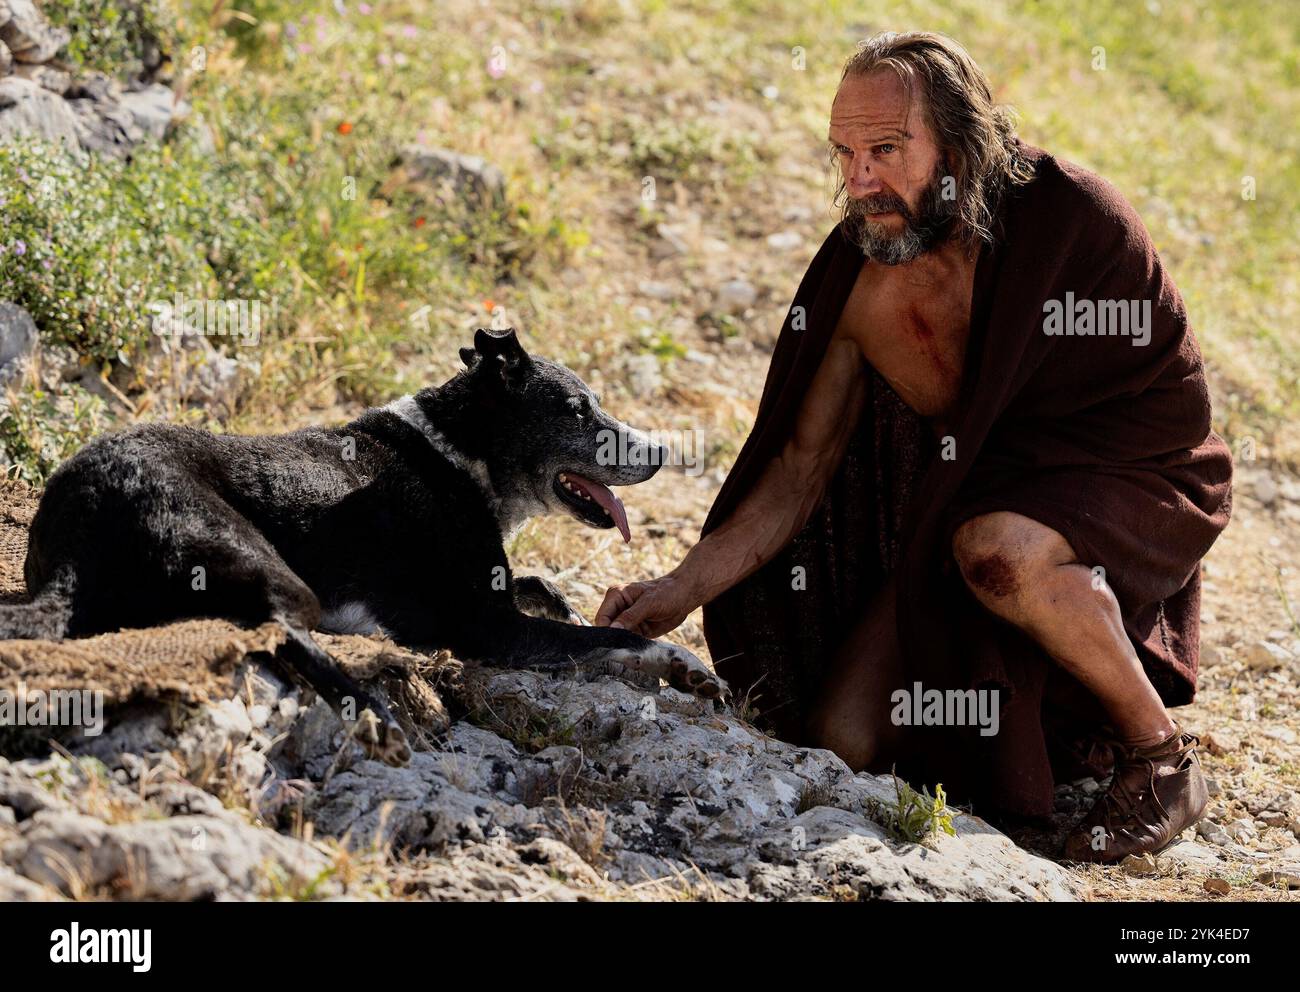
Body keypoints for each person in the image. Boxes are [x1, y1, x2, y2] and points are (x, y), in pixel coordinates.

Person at [595, 31, 1232, 862]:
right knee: (841, 739)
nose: (860, 180)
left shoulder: (1072, 219)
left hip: (1138, 485)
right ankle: (1047, 724)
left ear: (960, 144)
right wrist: (680, 585)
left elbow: (1165, 406)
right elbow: (799, 469)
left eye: (886, 149)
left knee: (999, 550)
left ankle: (1161, 760)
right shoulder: (860, 286)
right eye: (845, 153)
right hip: (953, 527)